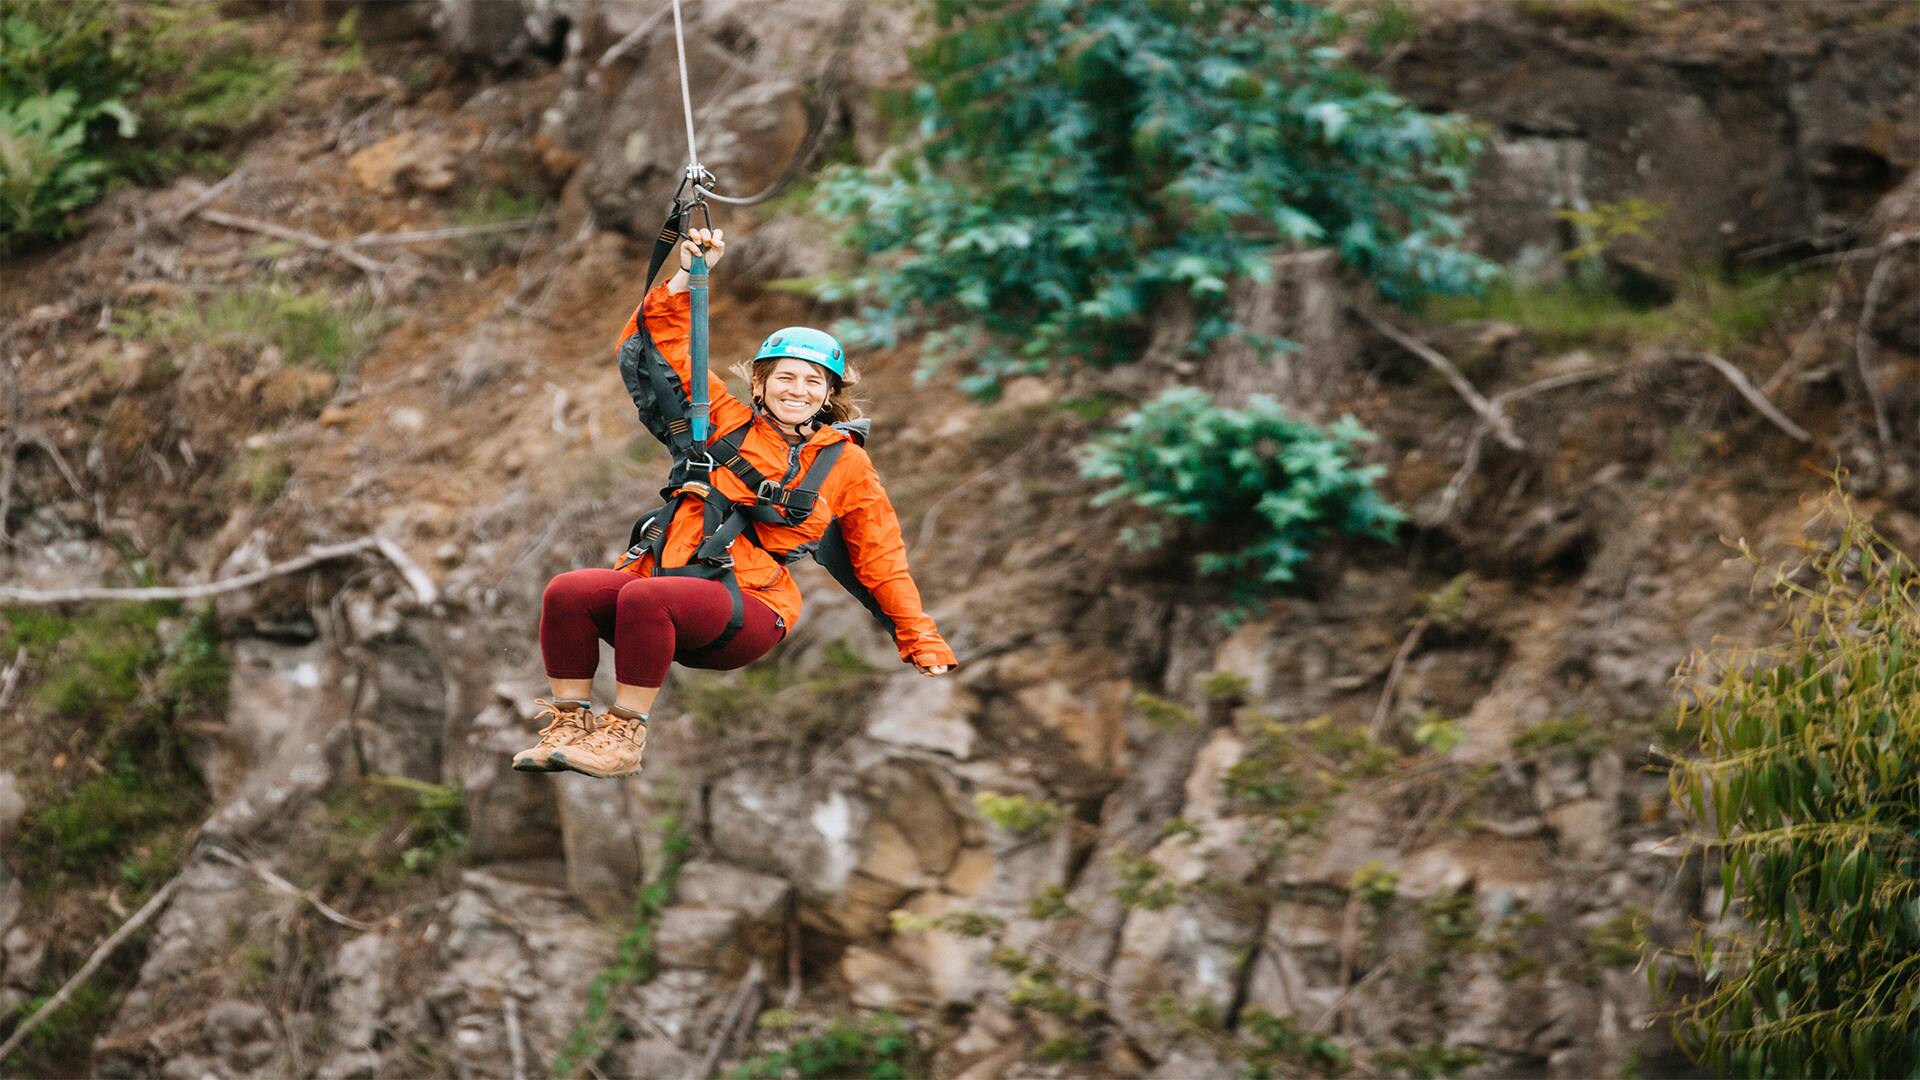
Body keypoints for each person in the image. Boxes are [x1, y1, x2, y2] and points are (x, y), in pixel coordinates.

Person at [515, 228, 958, 779]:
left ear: (829, 395)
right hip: (670, 587)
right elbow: (658, 350)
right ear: (761, 383)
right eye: (786, 377)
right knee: (570, 591)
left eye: (813, 381)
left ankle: (623, 736)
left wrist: (919, 636)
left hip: (748, 609)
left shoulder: (846, 466)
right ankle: (570, 724)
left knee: (647, 598)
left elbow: (880, 558)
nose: (797, 389)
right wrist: (688, 274)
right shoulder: (719, 420)